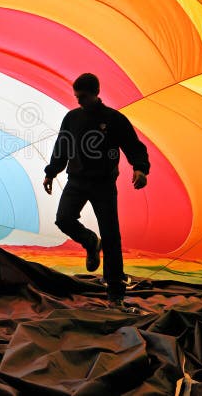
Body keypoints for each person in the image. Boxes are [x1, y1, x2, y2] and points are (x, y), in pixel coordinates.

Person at [43, 72, 149, 308]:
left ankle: (115, 292)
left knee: (111, 236)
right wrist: (51, 172)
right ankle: (91, 242)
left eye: (82, 97)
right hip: (77, 180)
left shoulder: (114, 119)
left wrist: (140, 169)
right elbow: (62, 146)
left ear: (95, 94)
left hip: (103, 184)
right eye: (76, 97)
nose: (79, 101)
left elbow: (133, 146)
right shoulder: (71, 118)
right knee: (63, 219)